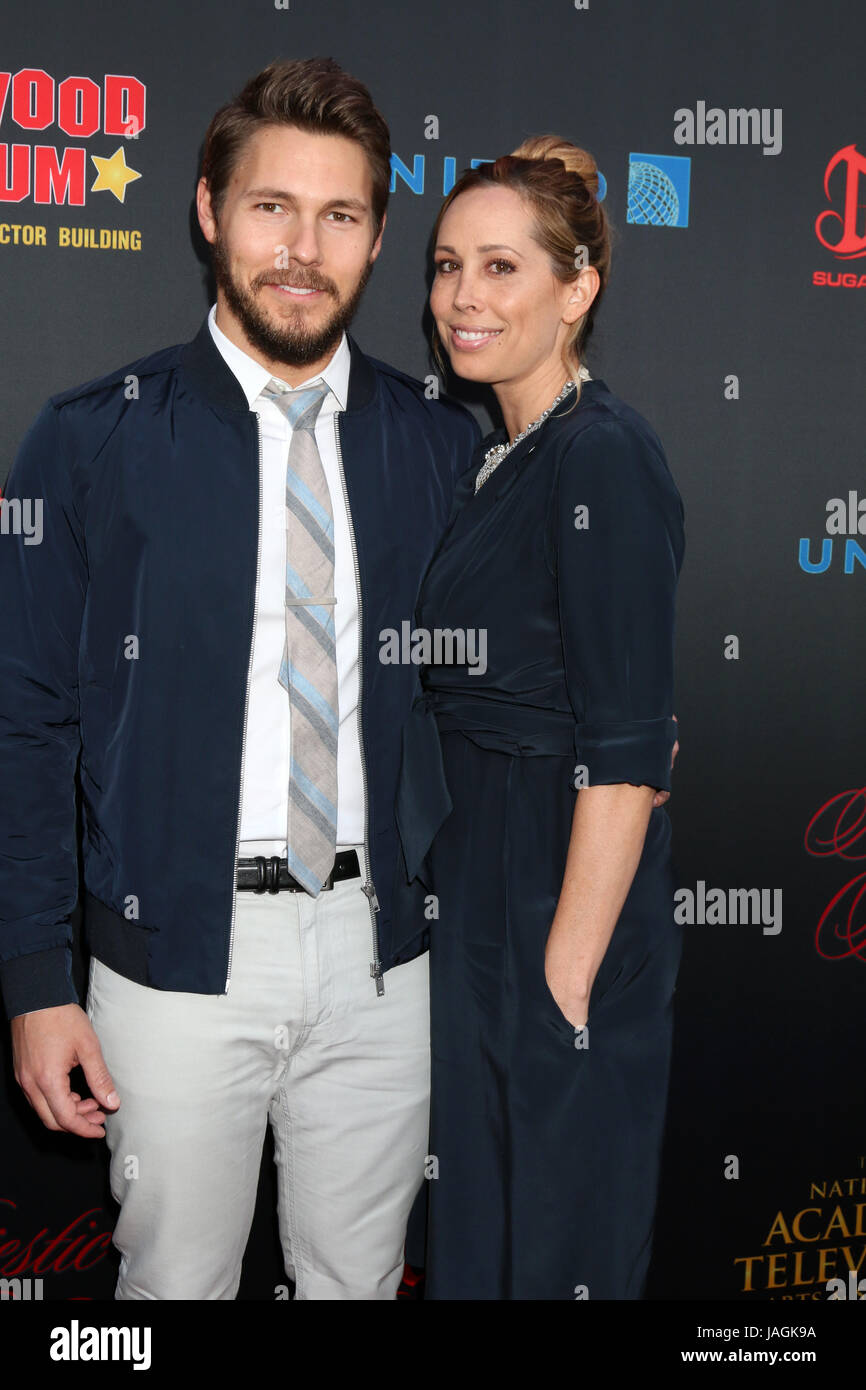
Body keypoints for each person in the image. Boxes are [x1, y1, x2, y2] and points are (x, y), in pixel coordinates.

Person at [0, 56, 480, 1300]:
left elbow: (479, 704)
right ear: (209, 210)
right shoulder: (89, 436)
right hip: (171, 964)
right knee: (170, 1293)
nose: (301, 249)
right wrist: (35, 984)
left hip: (386, 960)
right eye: (271, 207)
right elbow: (26, 721)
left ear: (377, 237)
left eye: (339, 216)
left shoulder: (438, 444)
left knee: (358, 1284)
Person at [393, 136, 685, 1299]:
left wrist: (564, 974)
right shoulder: (500, 455)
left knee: (557, 1230)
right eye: (448, 263)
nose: (465, 296)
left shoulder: (601, 456)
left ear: (577, 290)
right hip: (479, 887)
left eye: (503, 268)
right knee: (486, 1229)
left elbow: (626, 748)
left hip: (554, 887)